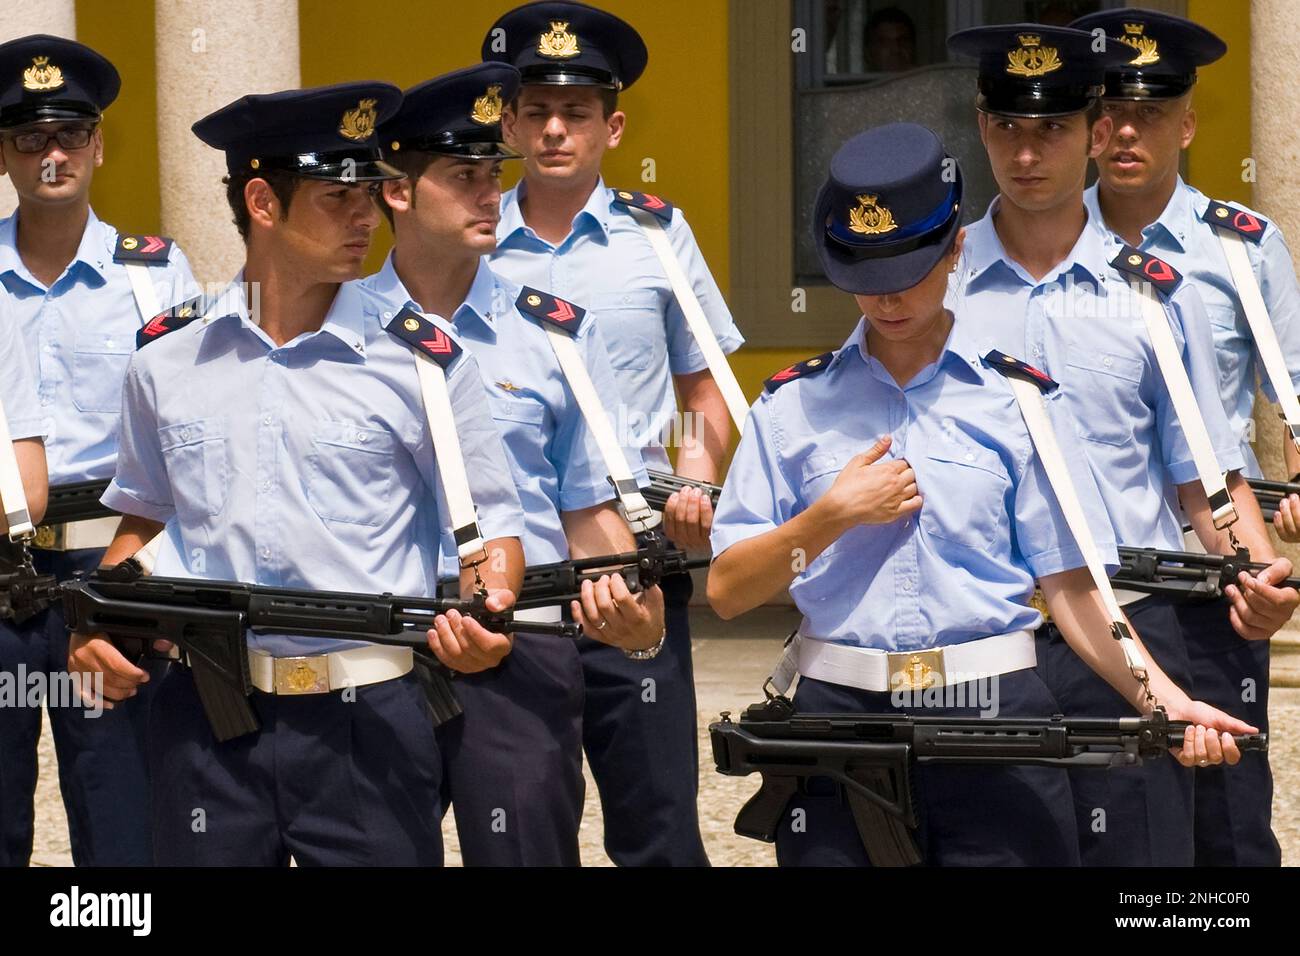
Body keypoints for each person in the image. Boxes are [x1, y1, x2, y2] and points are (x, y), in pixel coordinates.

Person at [707, 122, 1248, 867]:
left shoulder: (1018, 399)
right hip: (837, 717)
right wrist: (831, 516)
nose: (888, 296)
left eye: (911, 268)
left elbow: (1071, 586)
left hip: (990, 708)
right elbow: (730, 591)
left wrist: (1163, 700)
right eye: (865, 273)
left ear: (956, 249)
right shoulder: (791, 406)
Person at [66, 81, 527, 866]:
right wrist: (96, 627)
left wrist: (489, 614)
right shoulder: (166, 362)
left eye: (369, 192)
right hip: (204, 715)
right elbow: (144, 521)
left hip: (369, 722)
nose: (366, 216)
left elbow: (493, 529)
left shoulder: (422, 362)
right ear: (262, 201)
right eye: (335, 195)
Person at [946, 23, 1296, 865]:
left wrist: (1264, 575)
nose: (1028, 153)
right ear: (983, 126)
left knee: (1153, 862)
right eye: (1008, 128)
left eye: (1054, 129)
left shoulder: (1152, 296)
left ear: (1093, 133)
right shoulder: (936, 278)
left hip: (1133, 620)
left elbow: (1205, 476)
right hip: (981, 638)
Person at [362, 61, 665, 866]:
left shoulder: (556, 333)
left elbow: (586, 505)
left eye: (493, 172)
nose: (491, 194)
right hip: (376, 643)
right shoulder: (340, 334)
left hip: (520, 639)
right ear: (397, 191)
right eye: (464, 176)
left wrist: (635, 614)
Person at [483, 0, 744, 865]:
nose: (556, 129)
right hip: (510, 564)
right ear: (511, 121)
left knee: (660, 821)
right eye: (537, 111)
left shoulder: (659, 239)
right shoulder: (468, 241)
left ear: (612, 124)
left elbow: (700, 386)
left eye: (578, 113)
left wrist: (698, 477)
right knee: (523, 821)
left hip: (633, 560)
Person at [1072, 6, 1293, 866]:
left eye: (1153, 112)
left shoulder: (1239, 246)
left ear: (1188, 123)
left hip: (1209, 574)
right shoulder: (1045, 243)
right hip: (1086, 585)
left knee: (1228, 820)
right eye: (1113, 111)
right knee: (1104, 814)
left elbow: (1292, 398)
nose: (1129, 130)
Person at [0, 34, 198, 867]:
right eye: (30, 137)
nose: (53, 153)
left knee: (127, 826)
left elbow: (196, 443)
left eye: (70, 134)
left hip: (110, 577)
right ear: (3, 153)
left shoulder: (156, 276)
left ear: (99, 144)